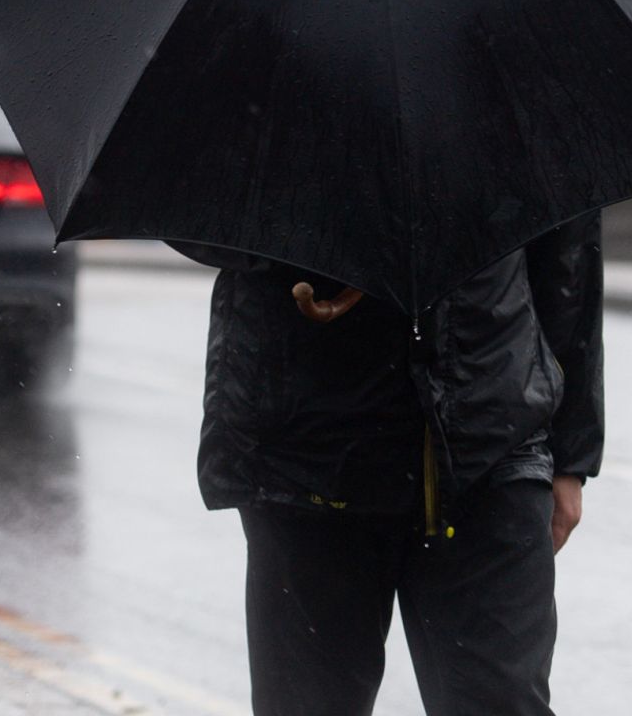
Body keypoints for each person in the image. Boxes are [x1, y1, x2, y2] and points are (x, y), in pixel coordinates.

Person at [172, 213, 603, 716]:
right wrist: (323, 224)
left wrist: (570, 455)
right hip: (308, 453)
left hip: (490, 438)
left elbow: (567, 244)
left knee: (502, 703)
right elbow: (195, 215)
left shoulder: (513, 130)